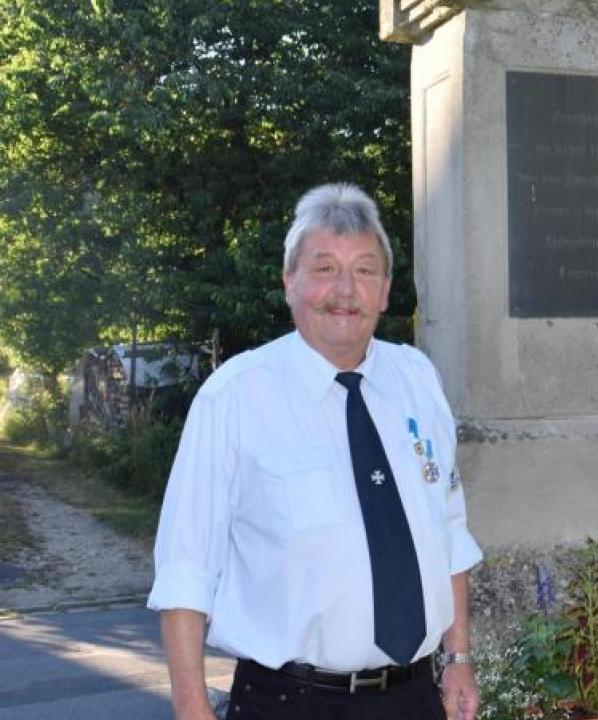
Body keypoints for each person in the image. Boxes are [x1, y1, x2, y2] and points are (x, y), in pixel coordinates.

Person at [148, 183, 484, 720]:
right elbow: (186, 566)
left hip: (415, 698)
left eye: (365, 270)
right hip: (290, 702)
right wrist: (191, 706)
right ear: (289, 282)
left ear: (386, 289)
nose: (345, 290)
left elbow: (448, 530)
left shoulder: (417, 379)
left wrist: (459, 656)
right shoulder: (234, 397)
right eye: (325, 268)